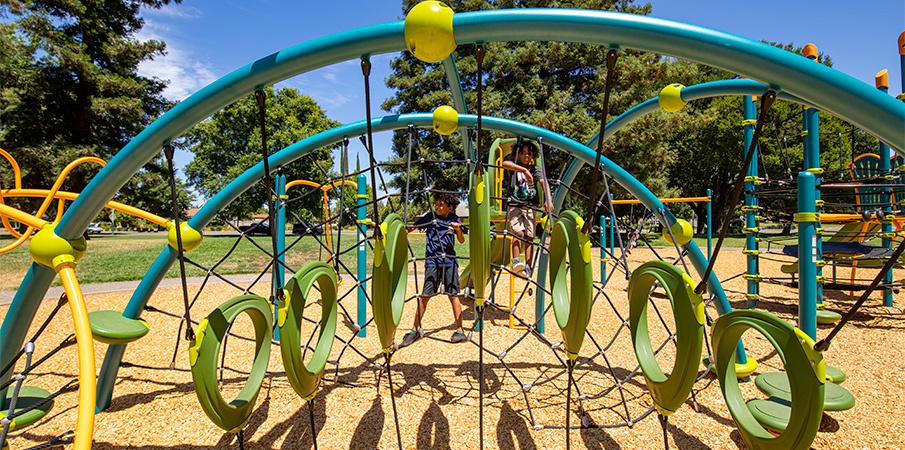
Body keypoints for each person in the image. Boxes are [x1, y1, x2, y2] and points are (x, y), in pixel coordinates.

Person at [399, 193, 467, 347]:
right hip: (432, 262)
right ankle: (414, 330)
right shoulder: (431, 217)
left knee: (453, 295)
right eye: (436, 203)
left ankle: (460, 330)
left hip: (449, 262)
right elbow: (413, 227)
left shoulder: (454, 219)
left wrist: (457, 229)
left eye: (441, 204)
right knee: (425, 296)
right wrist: (402, 231)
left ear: (450, 208)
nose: (437, 206)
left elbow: (462, 240)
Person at [501, 140, 553, 278]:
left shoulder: (536, 170)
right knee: (518, 233)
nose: (526, 156)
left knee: (529, 237)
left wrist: (548, 201)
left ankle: (528, 267)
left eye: (529, 154)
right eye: (523, 153)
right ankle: (516, 262)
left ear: (533, 156)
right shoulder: (515, 167)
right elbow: (504, 164)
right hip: (515, 204)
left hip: (531, 205)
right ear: (518, 155)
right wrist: (523, 170)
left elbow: (544, 184)